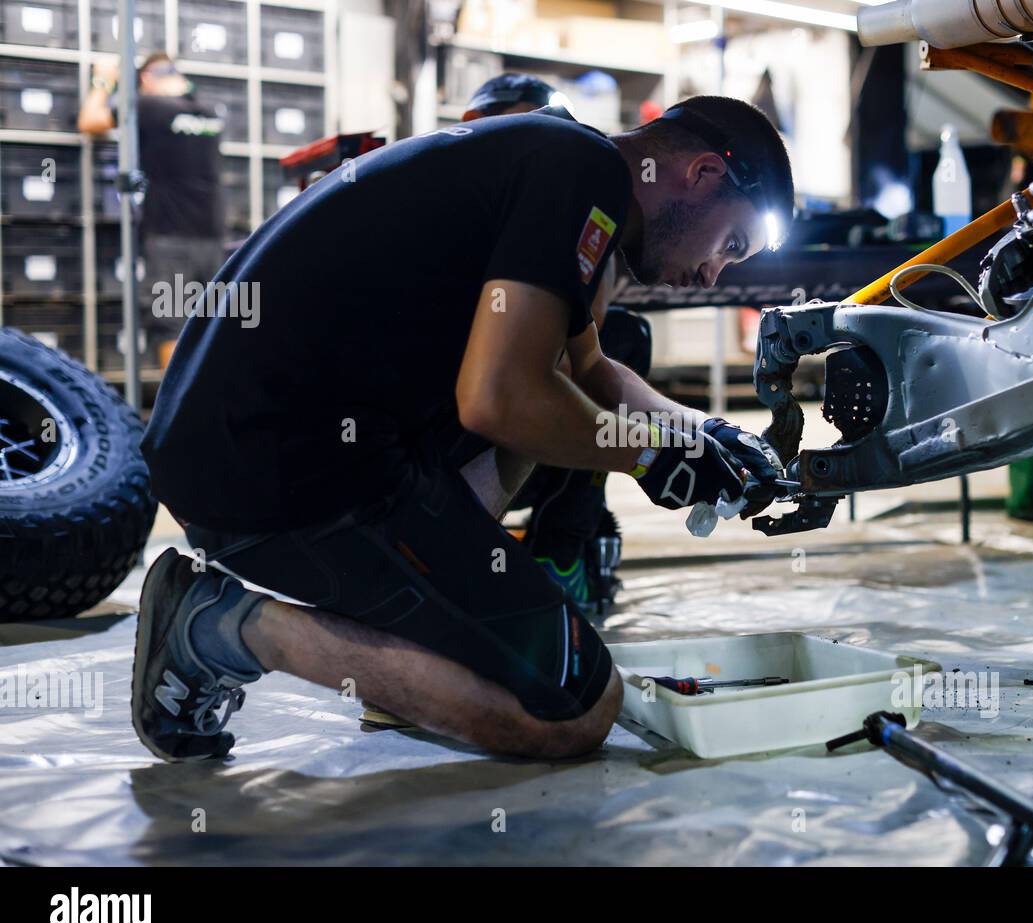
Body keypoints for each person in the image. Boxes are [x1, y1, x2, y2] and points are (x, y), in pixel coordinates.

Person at [132, 95, 794, 762]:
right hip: (275, 462)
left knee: (555, 358)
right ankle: (220, 625)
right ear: (703, 173)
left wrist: (708, 435)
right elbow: (498, 399)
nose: (712, 273)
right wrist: (651, 456)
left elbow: (590, 366)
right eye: (731, 245)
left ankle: (418, 629)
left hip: (257, 437)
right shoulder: (583, 170)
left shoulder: (564, 161)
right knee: (574, 711)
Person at [460, 72, 652, 611]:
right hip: (450, 402)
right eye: (526, 120)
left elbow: (584, 335)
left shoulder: (565, 196)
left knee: (621, 338)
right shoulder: (457, 187)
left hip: (524, 418)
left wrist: (675, 440)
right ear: (473, 124)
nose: (540, 136)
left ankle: (560, 552)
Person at [78, 52, 226, 368]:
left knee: (171, 326)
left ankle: (177, 415)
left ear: (146, 79)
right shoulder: (210, 112)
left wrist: (104, 81)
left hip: (170, 238)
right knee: (214, 328)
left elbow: (90, 122)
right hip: (213, 238)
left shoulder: (149, 107)